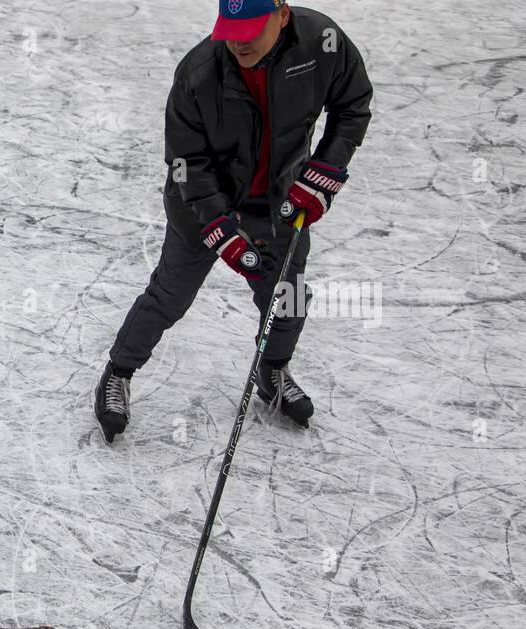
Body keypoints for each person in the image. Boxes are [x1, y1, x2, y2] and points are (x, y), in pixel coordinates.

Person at [95, 0, 372, 442]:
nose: (238, 40)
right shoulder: (198, 72)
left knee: (289, 297)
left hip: (281, 204)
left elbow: (353, 104)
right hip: (199, 206)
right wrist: (219, 228)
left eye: (250, 28)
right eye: (230, 27)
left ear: (281, 16)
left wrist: (326, 170)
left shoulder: (324, 42)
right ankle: (119, 372)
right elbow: (187, 162)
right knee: (169, 295)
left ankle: (273, 374)